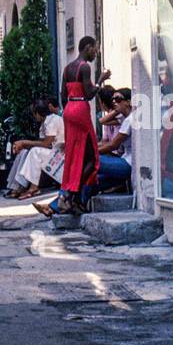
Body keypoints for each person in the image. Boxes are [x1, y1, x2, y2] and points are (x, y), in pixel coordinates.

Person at [58, 35, 110, 214]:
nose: (96, 53)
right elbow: (89, 93)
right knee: (91, 158)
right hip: (80, 108)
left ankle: (76, 199)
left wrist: (69, 111)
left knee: (74, 155)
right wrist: (101, 80)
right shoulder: (84, 67)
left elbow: (63, 95)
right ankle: (69, 195)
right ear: (87, 47)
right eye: (95, 49)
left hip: (69, 110)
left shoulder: (67, 69)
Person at [81, 86, 134, 207]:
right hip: (124, 162)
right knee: (92, 182)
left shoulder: (130, 120)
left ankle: (69, 201)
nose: (114, 102)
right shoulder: (124, 119)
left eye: (118, 99)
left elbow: (113, 145)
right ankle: (67, 204)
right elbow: (103, 121)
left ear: (128, 102)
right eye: (113, 99)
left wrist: (90, 152)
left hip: (127, 165)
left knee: (87, 160)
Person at [6, 98, 64, 202]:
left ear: (38, 113)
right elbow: (40, 143)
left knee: (34, 152)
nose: (34, 117)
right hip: (52, 152)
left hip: (59, 154)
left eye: (34, 114)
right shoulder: (44, 123)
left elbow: (46, 144)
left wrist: (24, 142)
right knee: (24, 152)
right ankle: (16, 186)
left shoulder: (53, 120)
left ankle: (34, 188)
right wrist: (24, 145)